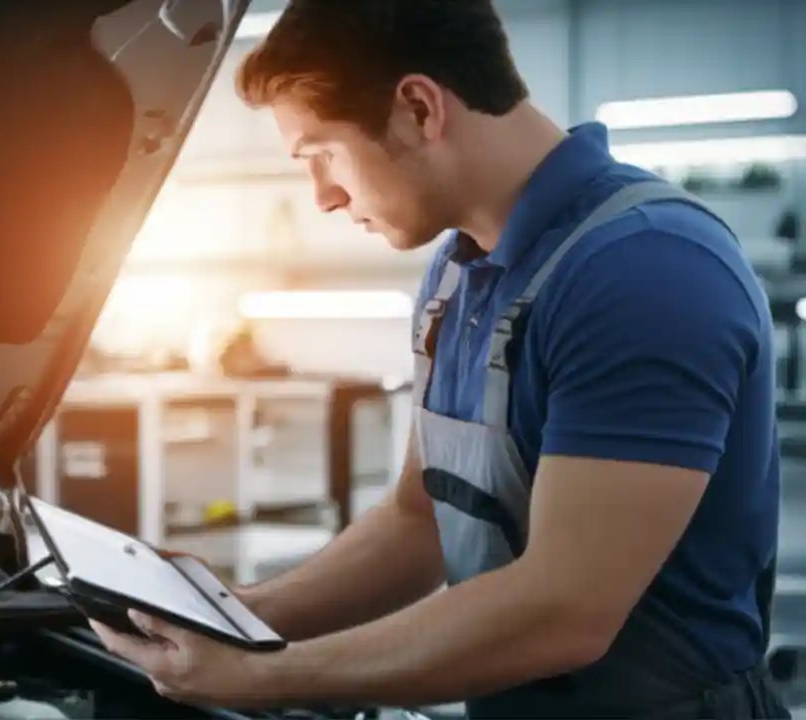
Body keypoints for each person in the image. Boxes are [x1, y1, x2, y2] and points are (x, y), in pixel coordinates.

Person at [88, 1, 790, 717]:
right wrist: (242, 614)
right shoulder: (456, 275)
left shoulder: (644, 269)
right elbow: (417, 521)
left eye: (320, 154)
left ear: (419, 108)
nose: (323, 196)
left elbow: (565, 608)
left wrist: (269, 678)